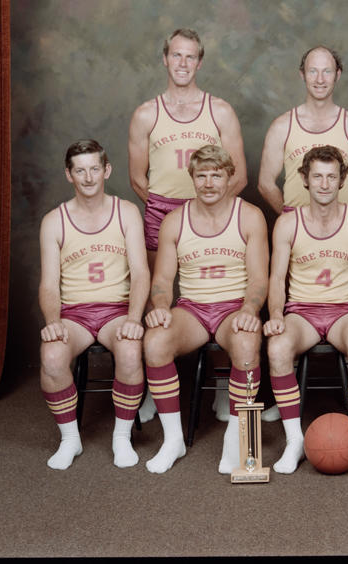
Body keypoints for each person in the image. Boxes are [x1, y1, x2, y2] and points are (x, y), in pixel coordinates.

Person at [128, 28, 248, 423]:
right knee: (157, 299)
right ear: (165, 59)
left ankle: (218, 386)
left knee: (216, 295)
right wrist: (175, 215)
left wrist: (204, 208)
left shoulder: (220, 111)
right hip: (163, 209)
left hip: (214, 210)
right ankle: (150, 388)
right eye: (176, 56)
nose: (183, 63)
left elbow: (240, 175)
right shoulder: (147, 113)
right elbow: (137, 178)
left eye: (190, 57)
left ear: (200, 62)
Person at [141, 145, 269, 474]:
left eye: (216, 175)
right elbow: (163, 280)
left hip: (233, 308)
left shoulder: (250, 216)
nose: (209, 183)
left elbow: (258, 279)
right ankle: (173, 440)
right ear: (192, 179)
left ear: (229, 179)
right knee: (155, 341)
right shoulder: (174, 221)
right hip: (193, 308)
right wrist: (158, 306)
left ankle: (242, 439)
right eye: (202, 176)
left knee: (246, 342)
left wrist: (250, 310)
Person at [263, 145, 348, 474]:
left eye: (332, 177)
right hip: (300, 311)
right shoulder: (288, 223)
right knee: (277, 347)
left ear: (343, 180)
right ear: (304, 179)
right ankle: (294, 441)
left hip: (344, 310)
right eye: (317, 176)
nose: (324, 184)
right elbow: (275, 279)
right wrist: (276, 315)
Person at [38, 139, 149, 470]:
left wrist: (134, 317)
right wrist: (52, 320)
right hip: (74, 314)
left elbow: (142, 273)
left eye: (94, 170)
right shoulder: (53, 221)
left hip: (117, 310)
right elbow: (48, 283)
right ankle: (70, 438)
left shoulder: (126, 212)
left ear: (107, 171)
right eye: (80, 171)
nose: (88, 178)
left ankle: (122, 437)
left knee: (130, 350)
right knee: (52, 356)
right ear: (69, 175)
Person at [257, 45, 348, 214]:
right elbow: (265, 184)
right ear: (302, 75)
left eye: (327, 71)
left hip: (341, 229)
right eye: (313, 71)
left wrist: (345, 218)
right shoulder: (282, 127)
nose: (320, 80)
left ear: (337, 75)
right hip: (295, 230)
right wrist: (291, 219)